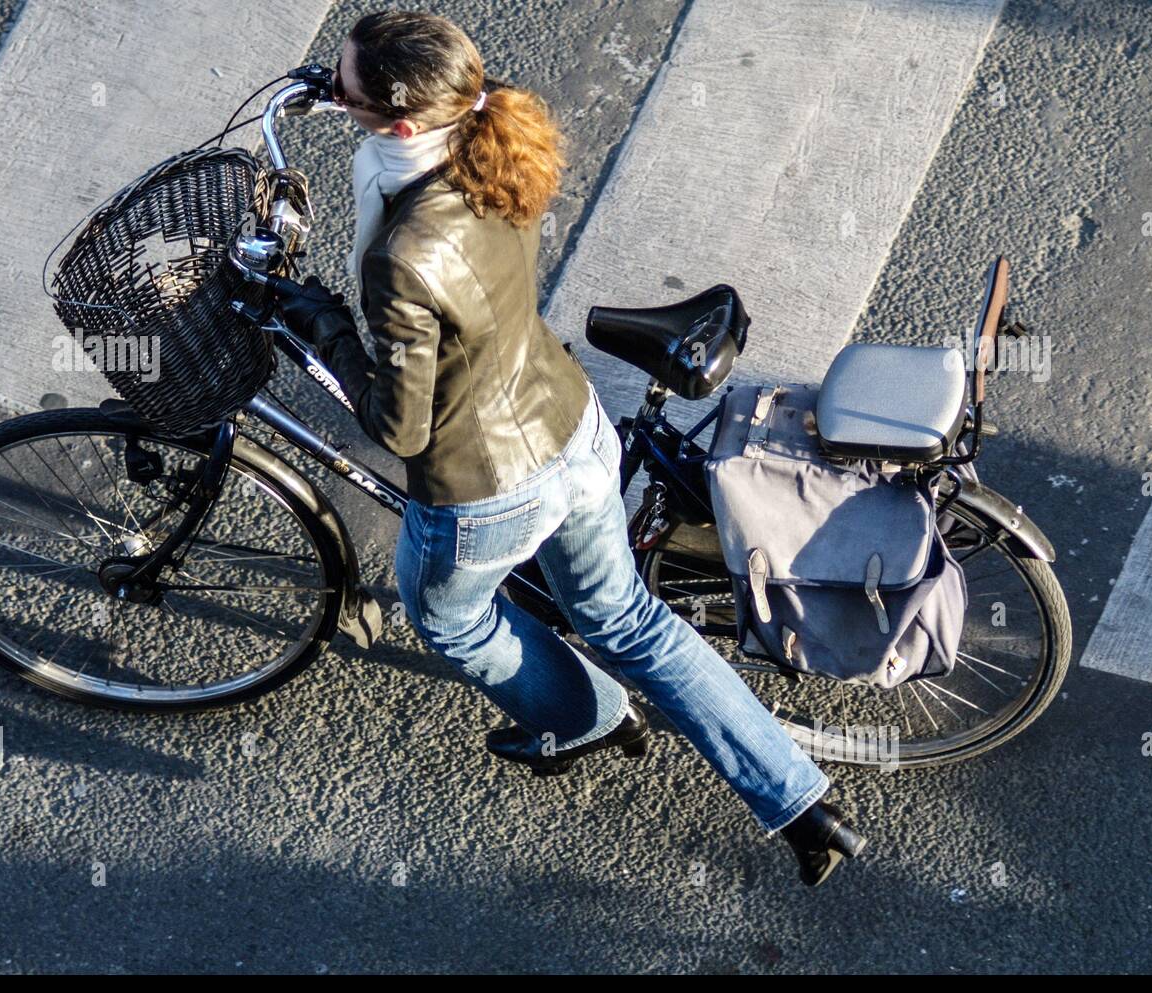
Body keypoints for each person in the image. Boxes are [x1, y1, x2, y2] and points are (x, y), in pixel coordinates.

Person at [277, 10, 865, 886]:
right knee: (631, 622)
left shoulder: (403, 255)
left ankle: (584, 715)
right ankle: (802, 805)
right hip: (573, 428)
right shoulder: (489, 143)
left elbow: (399, 427)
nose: (335, 86)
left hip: (485, 487)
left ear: (400, 126)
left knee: (449, 617)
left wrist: (320, 321)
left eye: (346, 85)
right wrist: (341, 92)